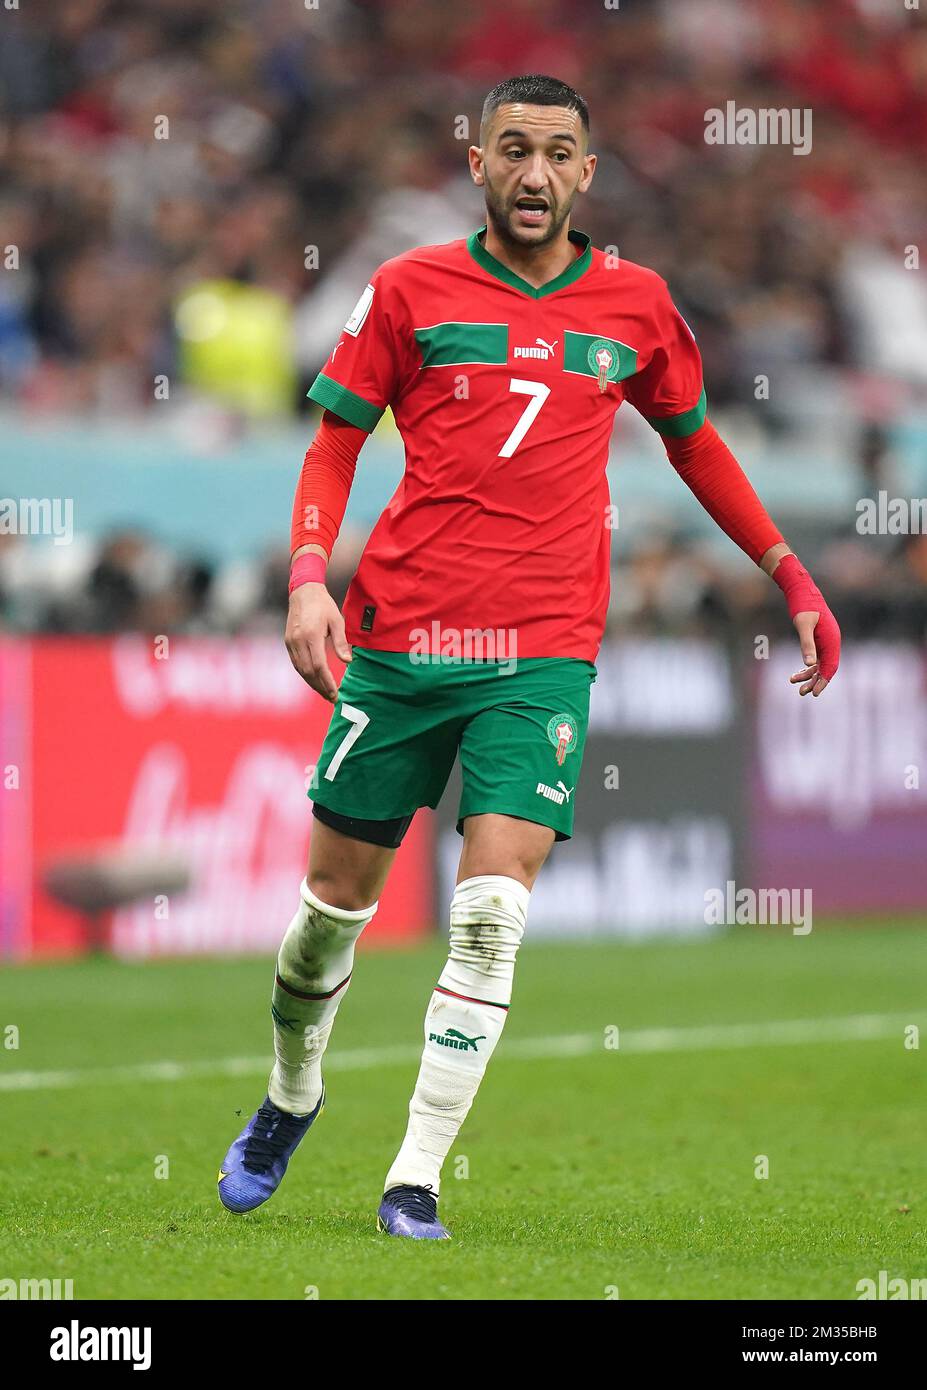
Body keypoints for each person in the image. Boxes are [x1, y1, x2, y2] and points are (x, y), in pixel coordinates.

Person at [217, 75, 840, 1240]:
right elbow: (334, 441)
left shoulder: (638, 305)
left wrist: (789, 574)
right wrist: (309, 576)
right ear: (478, 163)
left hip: (542, 654)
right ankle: (292, 1095)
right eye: (515, 150)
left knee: (491, 915)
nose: (537, 173)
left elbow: (697, 446)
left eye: (559, 153)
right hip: (400, 644)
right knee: (328, 916)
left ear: (587, 172)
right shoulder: (409, 289)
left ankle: (415, 1175)